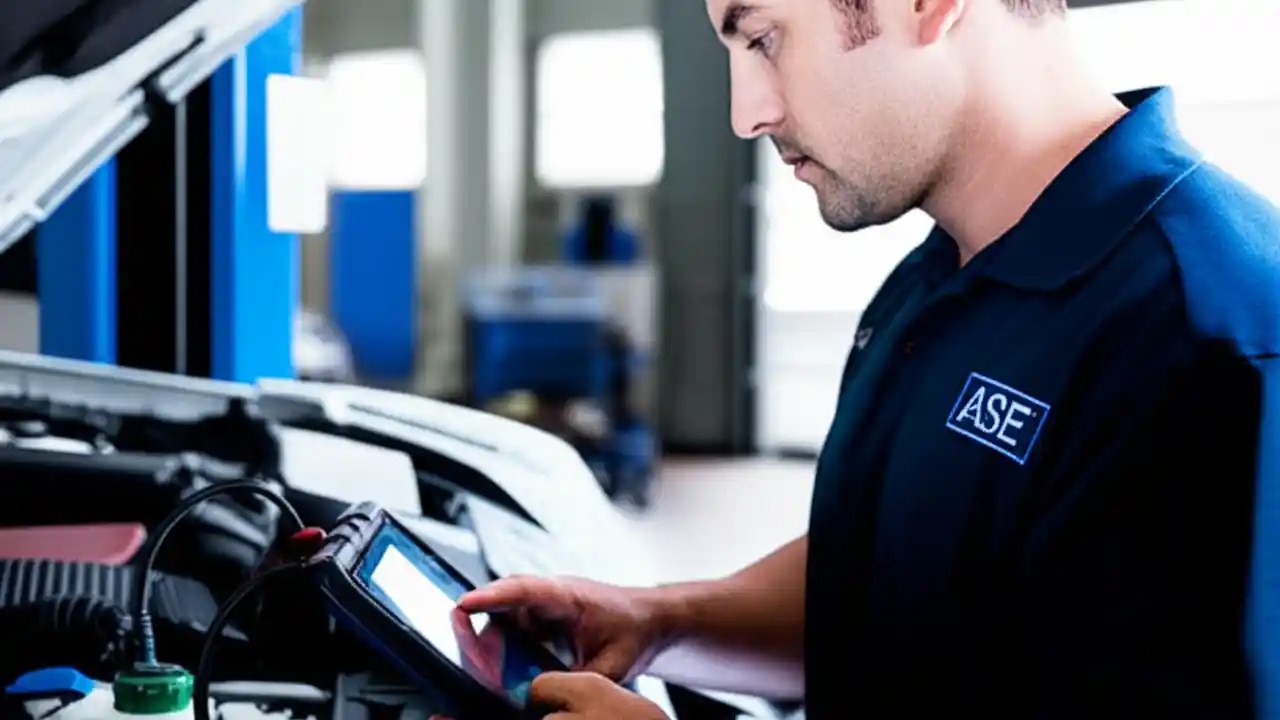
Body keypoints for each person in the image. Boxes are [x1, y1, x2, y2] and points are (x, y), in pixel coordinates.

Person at [456, 0, 1280, 717]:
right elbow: (903, 586)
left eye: (764, 38)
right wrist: (664, 621)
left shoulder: (1209, 337)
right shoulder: (931, 282)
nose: (746, 113)